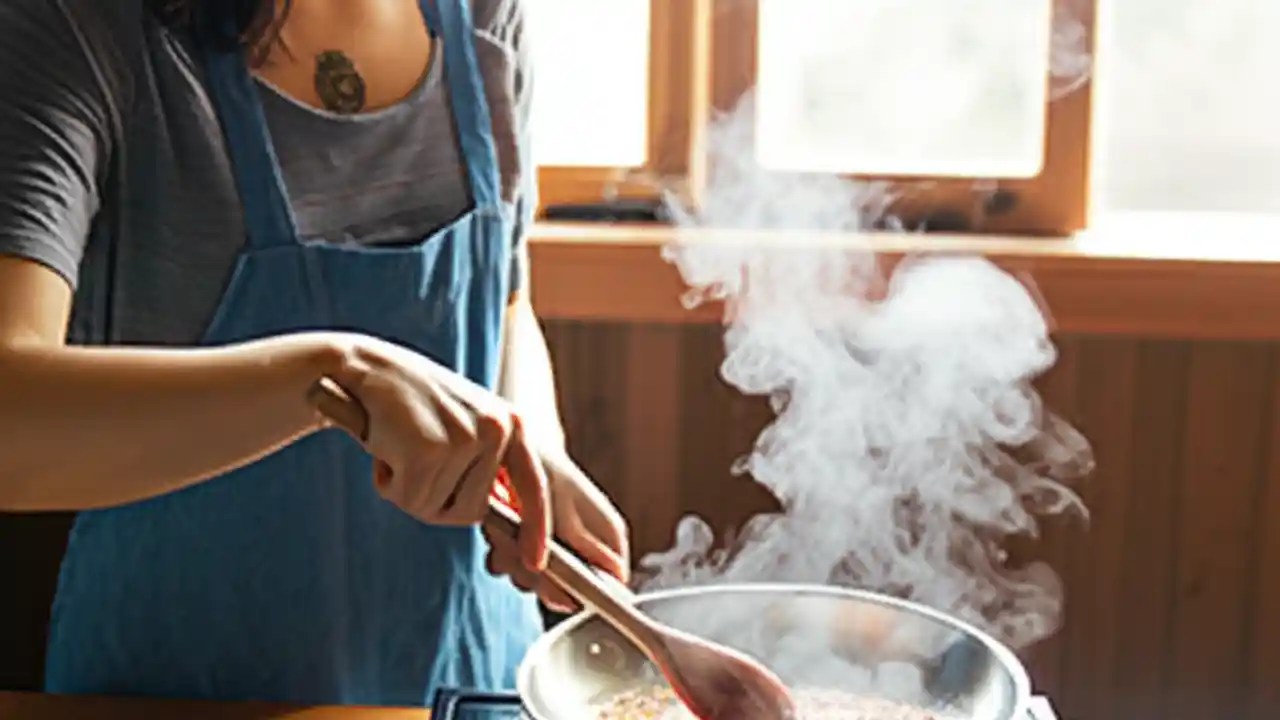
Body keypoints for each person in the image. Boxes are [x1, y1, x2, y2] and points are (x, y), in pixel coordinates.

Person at [0, 0, 629, 707]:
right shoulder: (75, 26)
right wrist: (332, 375)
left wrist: (534, 450)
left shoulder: (488, 15)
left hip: (466, 675)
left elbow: (506, 304)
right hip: (173, 687)